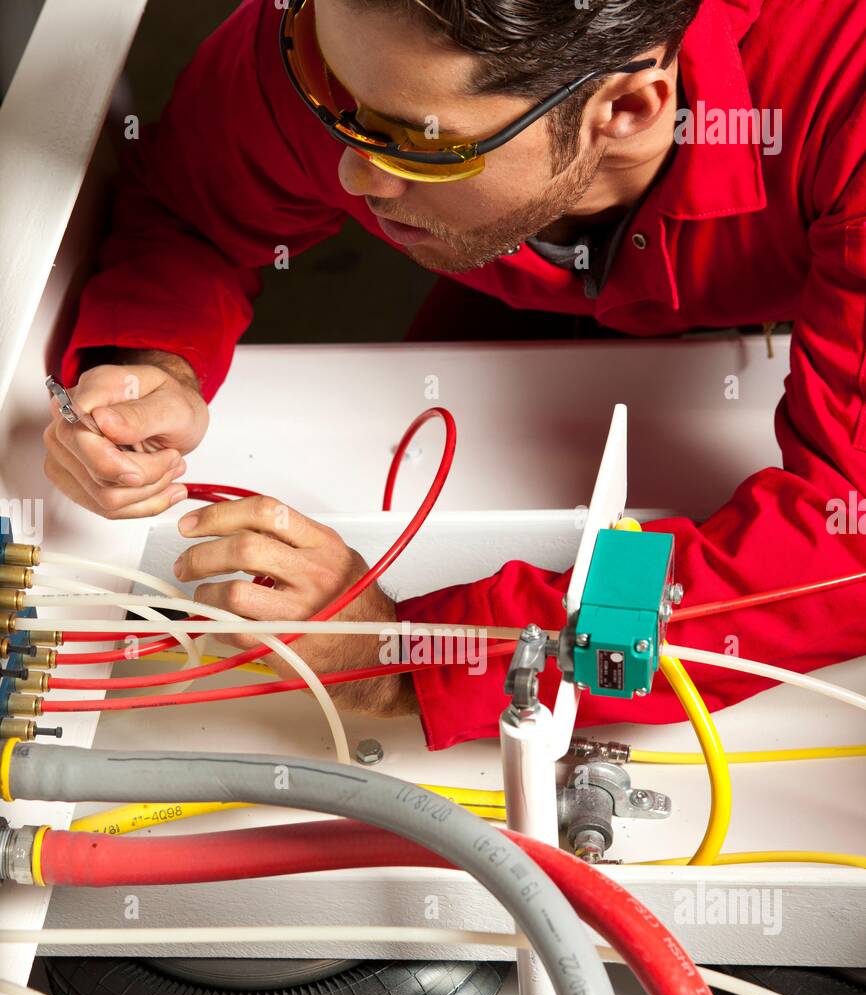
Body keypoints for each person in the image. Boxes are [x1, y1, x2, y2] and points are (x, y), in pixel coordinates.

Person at [45, 0, 866, 748]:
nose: (351, 177)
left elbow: (845, 543)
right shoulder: (342, 35)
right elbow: (195, 208)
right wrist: (155, 361)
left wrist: (410, 655)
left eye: (420, 142)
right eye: (341, 99)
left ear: (624, 109)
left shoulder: (845, 90)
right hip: (528, 278)